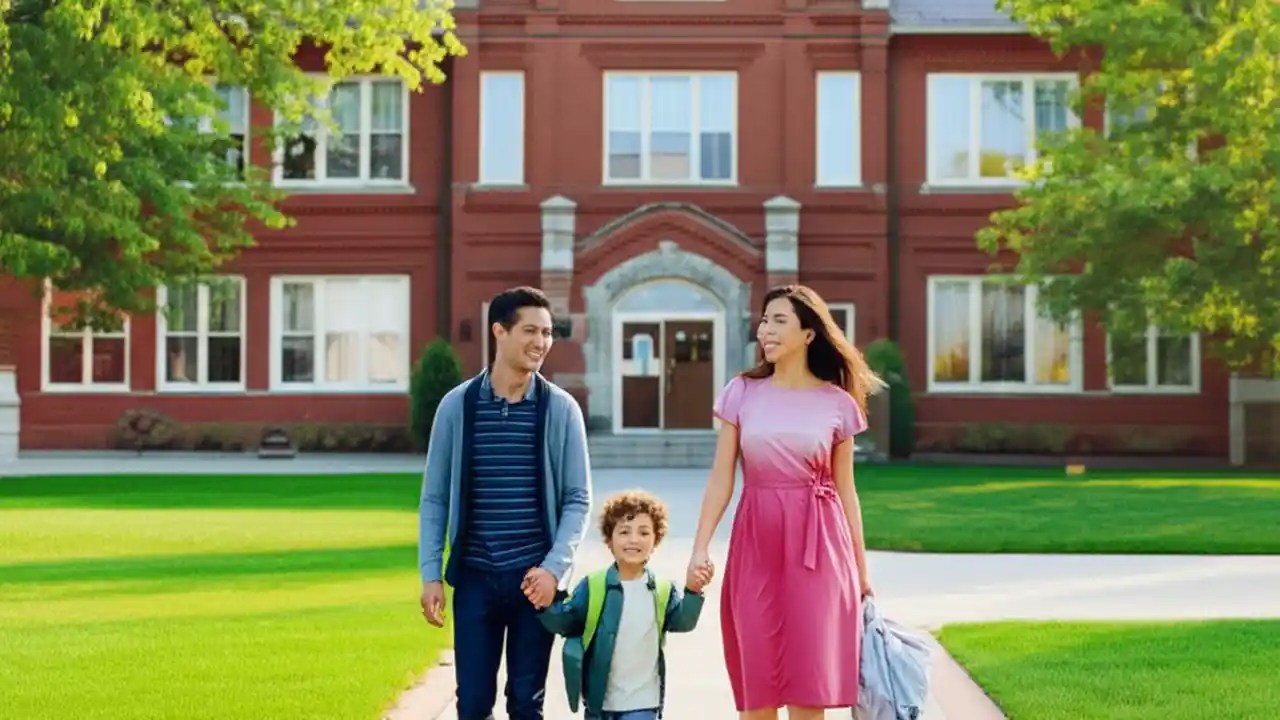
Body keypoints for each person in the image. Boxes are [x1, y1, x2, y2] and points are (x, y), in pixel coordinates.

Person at [688, 284, 885, 720]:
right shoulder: (741, 392)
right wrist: (699, 547)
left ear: (809, 334)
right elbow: (722, 478)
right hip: (756, 542)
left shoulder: (837, 403)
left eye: (779, 320)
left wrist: (861, 571)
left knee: (806, 693)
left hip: (820, 547)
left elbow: (846, 490)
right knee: (756, 690)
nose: (766, 330)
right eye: (764, 320)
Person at [418, 286, 593, 720]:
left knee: (525, 703)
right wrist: (430, 574)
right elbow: (435, 497)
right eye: (530, 331)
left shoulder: (561, 410)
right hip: (475, 579)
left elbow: (578, 498)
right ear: (499, 331)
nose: (541, 342)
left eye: (548, 332)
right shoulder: (458, 407)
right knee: (473, 704)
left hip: (534, 581)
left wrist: (554, 570)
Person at [538, 489, 711, 720]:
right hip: (600, 704)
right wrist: (544, 603)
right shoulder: (593, 586)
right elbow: (565, 622)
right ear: (609, 540)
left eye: (643, 532)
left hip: (644, 703)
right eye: (624, 531)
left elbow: (684, 621)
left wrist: (693, 590)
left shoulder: (661, 590)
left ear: (655, 540)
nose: (633, 540)